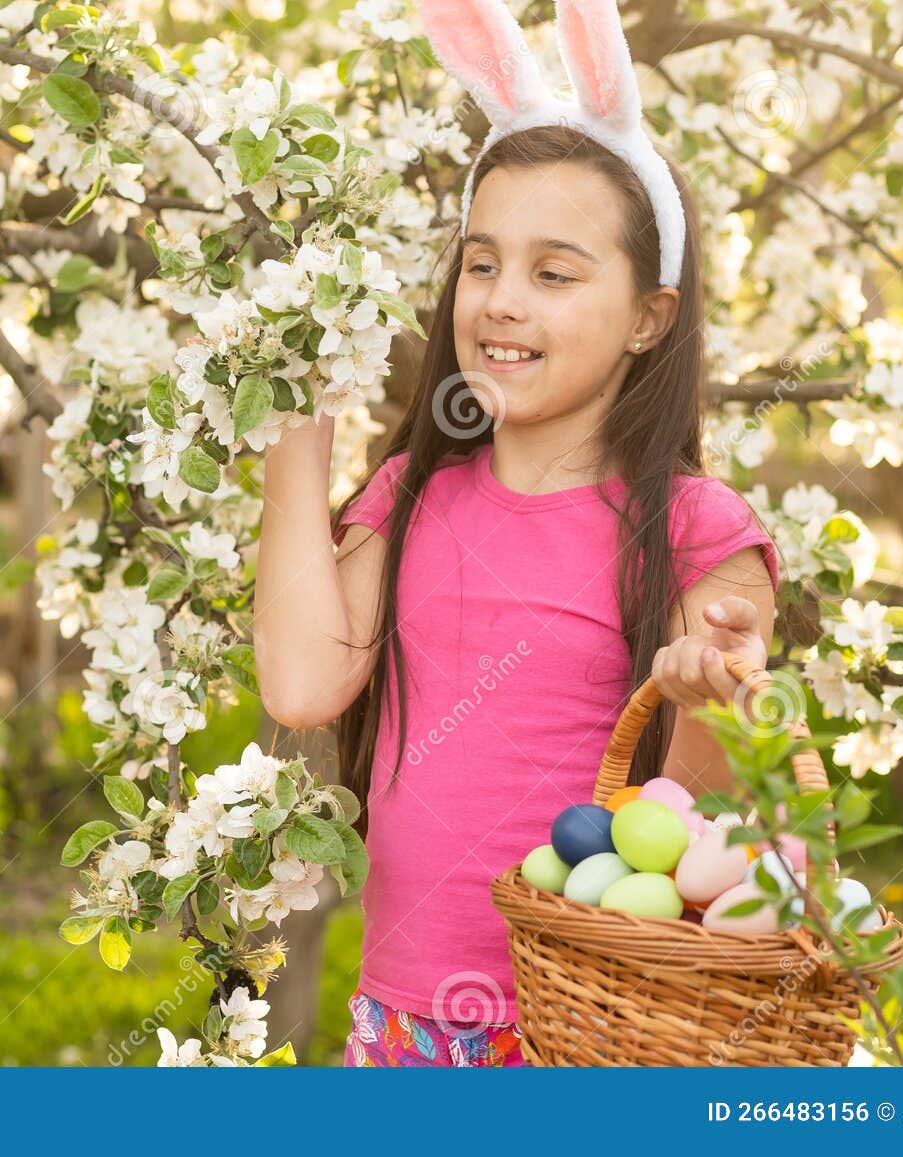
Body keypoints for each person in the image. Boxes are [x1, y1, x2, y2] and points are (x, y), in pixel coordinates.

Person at [252, 0, 780, 1067]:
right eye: (482, 262)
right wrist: (289, 427)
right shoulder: (412, 494)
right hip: (399, 1022)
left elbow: (718, 822)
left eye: (554, 273)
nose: (499, 301)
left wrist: (709, 697)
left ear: (648, 316)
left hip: (596, 1023)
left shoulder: (691, 530)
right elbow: (303, 684)